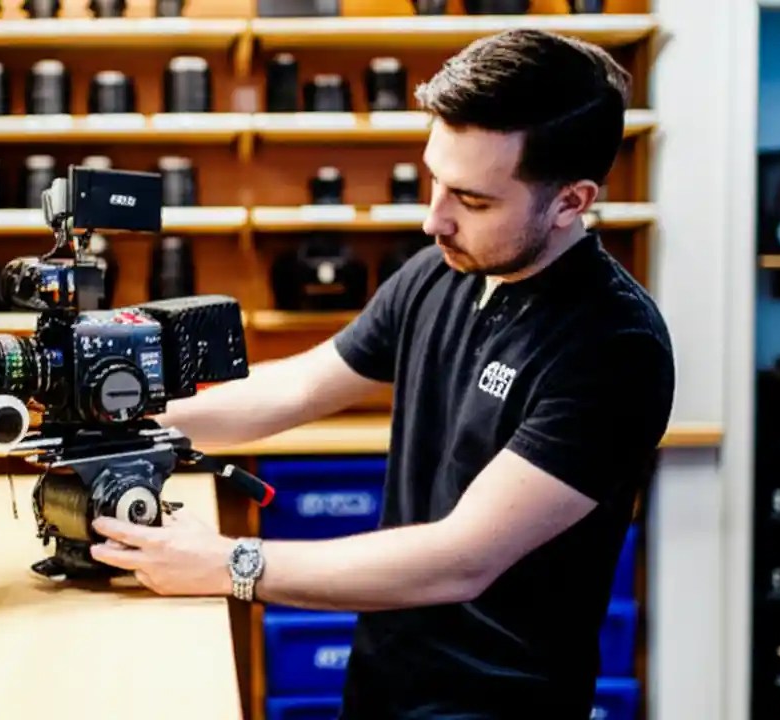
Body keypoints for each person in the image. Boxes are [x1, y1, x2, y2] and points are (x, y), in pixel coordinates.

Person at [88, 28, 676, 720]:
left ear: (571, 202)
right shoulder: (442, 272)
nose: (434, 219)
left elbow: (461, 558)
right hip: (383, 683)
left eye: (473, 200)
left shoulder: (613, 345)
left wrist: (229, 563)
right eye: (434, 178)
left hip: (494, 705)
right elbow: (302, 386)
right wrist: (108, 416)